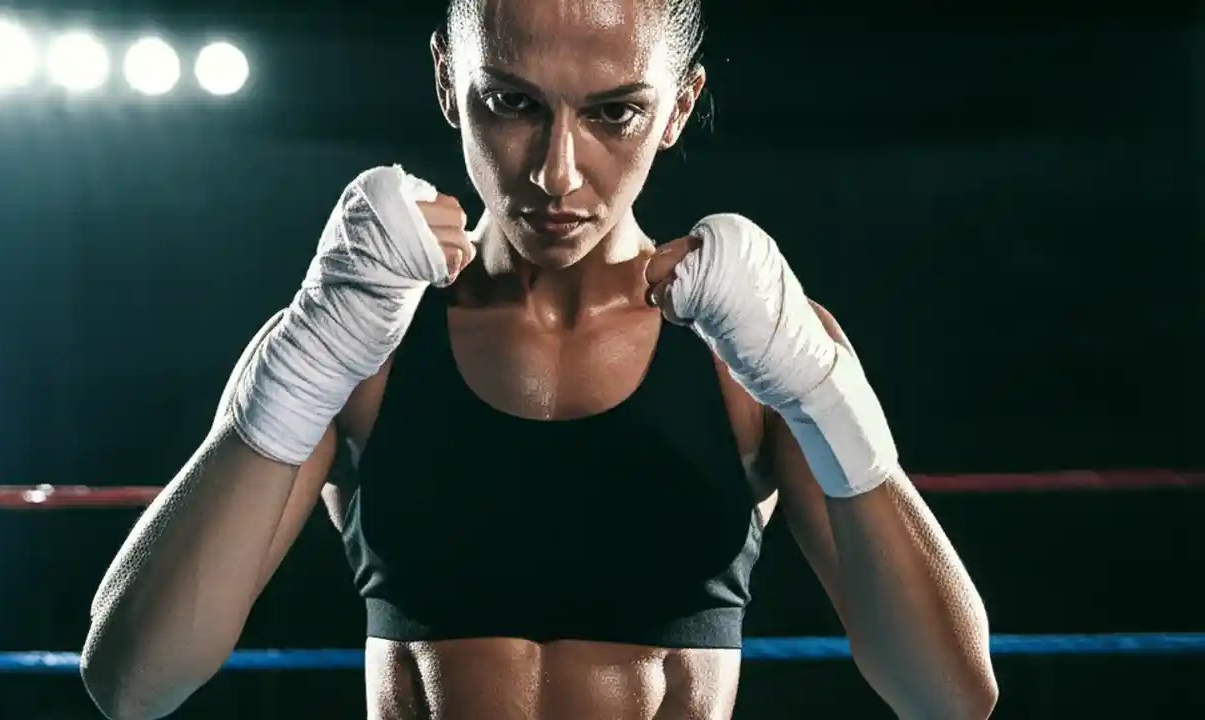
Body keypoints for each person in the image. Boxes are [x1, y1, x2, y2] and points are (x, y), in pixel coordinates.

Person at [80, 0, 998, 718]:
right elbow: (133, 683)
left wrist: (819, 389)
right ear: (449, 82)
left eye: (614, 113)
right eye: (513, 103)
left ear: (678, 107)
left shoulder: (754, 354)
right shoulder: (356, 341)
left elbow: (949, 700)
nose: (557, 172)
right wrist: (306, 358)